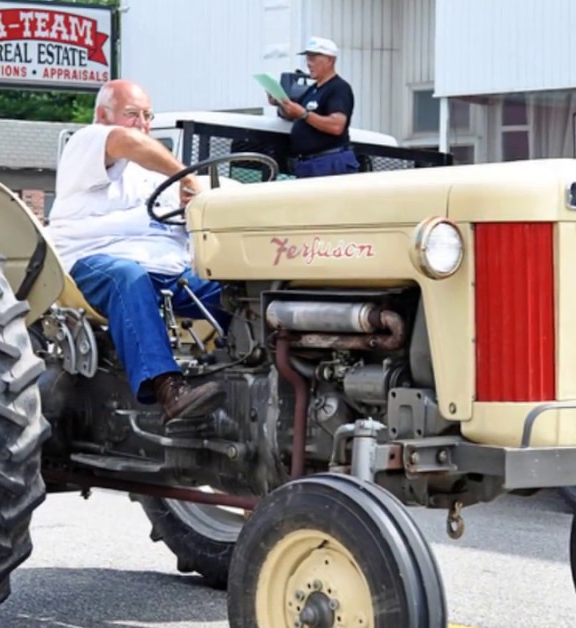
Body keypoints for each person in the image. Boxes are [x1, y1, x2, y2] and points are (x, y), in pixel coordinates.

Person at [47, 79, 227, 422]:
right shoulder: (87, 142)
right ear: (103, 115)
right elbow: (127, 141)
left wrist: (194, 204)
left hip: (170, 270)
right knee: (128, 277)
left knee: (236, 289)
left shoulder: (154, 170)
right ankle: (168, 388)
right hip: (95, 261)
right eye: (132, 114)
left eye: (148, 115)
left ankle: (253, 373)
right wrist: (187, 178)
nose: (143, 123)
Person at [268, 36, 359, 178]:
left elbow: (336, 126)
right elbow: (294, 114)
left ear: (330, 60)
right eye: (307, 59)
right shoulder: (313, 90)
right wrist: (279, 103)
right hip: (308, 163)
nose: (309, 64)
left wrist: (304, 114)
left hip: (329, 161)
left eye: (313, 58)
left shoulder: (339, 88)